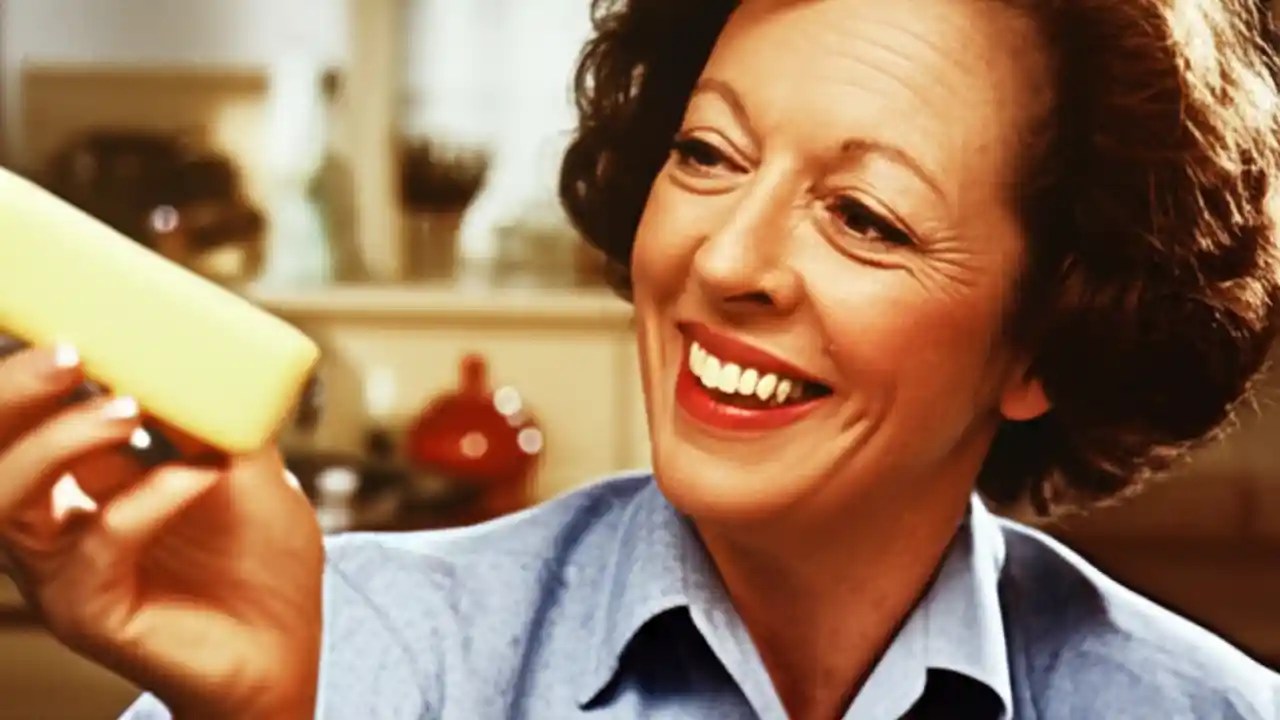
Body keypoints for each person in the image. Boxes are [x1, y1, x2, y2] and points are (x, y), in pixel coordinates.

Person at [1, 0, 1279, 717]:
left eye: (864, 218)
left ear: (1046, 335)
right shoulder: (348, 654)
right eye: (707, 154)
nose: (724, 261)